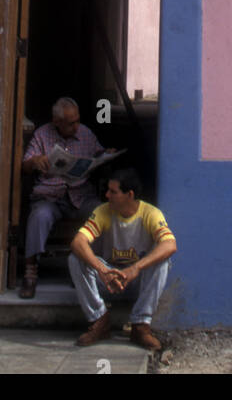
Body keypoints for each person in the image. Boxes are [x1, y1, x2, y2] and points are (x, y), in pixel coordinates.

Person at [69, 168, 177, 351]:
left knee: (162, 262)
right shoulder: (103, 211)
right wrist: (102, 270)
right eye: (108, 190)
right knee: (75, 259)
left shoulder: (151, 213)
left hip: (136, 282)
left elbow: (170, 245)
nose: (107, 195)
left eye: (113, 191)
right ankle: (99, 320)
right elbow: (78, 242)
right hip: (109, 279)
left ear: (130, 194)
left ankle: (141, 325)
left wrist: (134, 269)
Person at [19, 96, 113, 299]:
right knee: (39, 217)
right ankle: (30, 272)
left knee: (101, 213)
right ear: (57, 122)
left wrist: (106, 154)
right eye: (71, 123)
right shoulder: (42, 135)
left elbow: (98, 153)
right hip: (50, 196)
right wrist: (35, 161)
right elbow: (25, 165)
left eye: (78, 120)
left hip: (80, 195)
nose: (76, 126)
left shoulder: (85, 133)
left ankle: (83, 266)